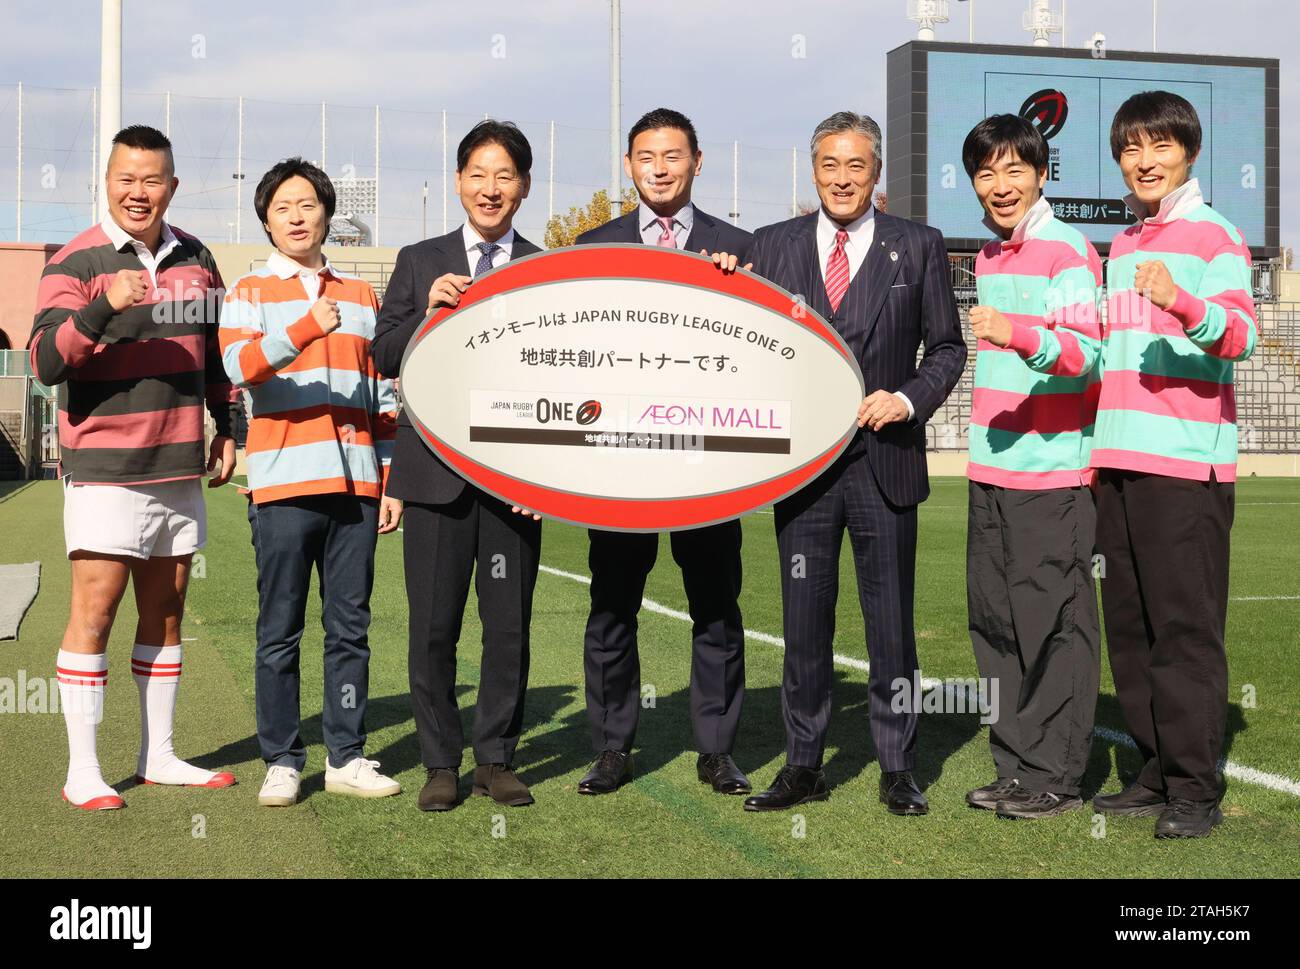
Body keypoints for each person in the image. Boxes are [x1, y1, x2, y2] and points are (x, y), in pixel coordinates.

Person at [739, 111, 966, 815]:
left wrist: (906, 397)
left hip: (884, 464)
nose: (842, 178)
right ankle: (803, 763)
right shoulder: (771, 246)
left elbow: (949, 349)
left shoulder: (919, 246)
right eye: (830, 165)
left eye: (856, 166)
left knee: (891, 626)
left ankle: (898, 765)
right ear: (813, 170)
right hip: (803, 470)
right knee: (804, 622)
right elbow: (745, 340)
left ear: (876, 174)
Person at [29, 124, 238, 810]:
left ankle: (160, 755)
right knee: (95, 610)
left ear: (171, 186)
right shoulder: (75, 260)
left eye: (152, 180)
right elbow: (44, 363)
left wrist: (227, 426)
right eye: (127, 178)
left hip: (177, 464)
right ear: (107, 181)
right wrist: (103, 305)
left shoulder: (198, 256)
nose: (138, 192)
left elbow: (216, 352)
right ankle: (83, 771)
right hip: (104, 468)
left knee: (168, 611)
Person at [1090, 91, 1258, 839]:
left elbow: (1243, 334)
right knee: (1130, 627)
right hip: (1118, 461)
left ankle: (1195, 787)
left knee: (1185, 628)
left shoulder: (1215, 234)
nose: (1143, 161)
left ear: (1188, 151)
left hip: (1185, 467)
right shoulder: (1123, 245)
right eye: (1131, 149)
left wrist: (1184, 303)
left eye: (1158, 146)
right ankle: (1156, 765)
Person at [573, 107, 755, 797]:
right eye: (646, 155)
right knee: (613, 606)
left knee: (715, 606)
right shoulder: (593, 245)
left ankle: (717, 750)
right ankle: (613, 748)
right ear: (628, 165)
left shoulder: (739, 246)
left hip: (708, 464)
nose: (659, 166)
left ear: (697, 162)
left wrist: (741, 288)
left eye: (672, 155)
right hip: (619, 464)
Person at [372, 121, 543, 812]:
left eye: (504, 175)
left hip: (513, 483)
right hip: (434, 477)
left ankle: (496, 758)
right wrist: (427, 315)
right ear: (458, 180)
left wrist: (543, 475)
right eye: (478, 173)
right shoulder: (420, 259)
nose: (490, 188)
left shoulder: (544, 265)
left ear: (524, 186)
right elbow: (383, 354)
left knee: (507, 626)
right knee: (434, 626)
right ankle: (441, 760)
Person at [220, 157, 401, 807]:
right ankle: (282, 758)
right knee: (280, 628)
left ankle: (347, 756)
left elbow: (382, 395)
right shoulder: (246, 291)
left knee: (350, 627)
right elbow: (241, 366)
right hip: (283, 485)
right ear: (266, 221)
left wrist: (389, 478)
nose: (296, 216)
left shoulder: (361, 295)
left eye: (308, 204)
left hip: (355, 489)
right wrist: (302, 327)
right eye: (282, 208)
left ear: (328, 212)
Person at [959, 114, 1103, 819]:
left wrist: (1016, 334)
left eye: (1015, 169)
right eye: (986, 173)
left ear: (1042, 175)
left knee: (1053, 623)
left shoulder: (1067, 250)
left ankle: (1055, 773)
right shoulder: (991, 257)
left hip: (1052, 472)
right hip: (990, 467)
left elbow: (1086, 356)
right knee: (995, 622)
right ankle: (1014, 765)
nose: (1000, 184)